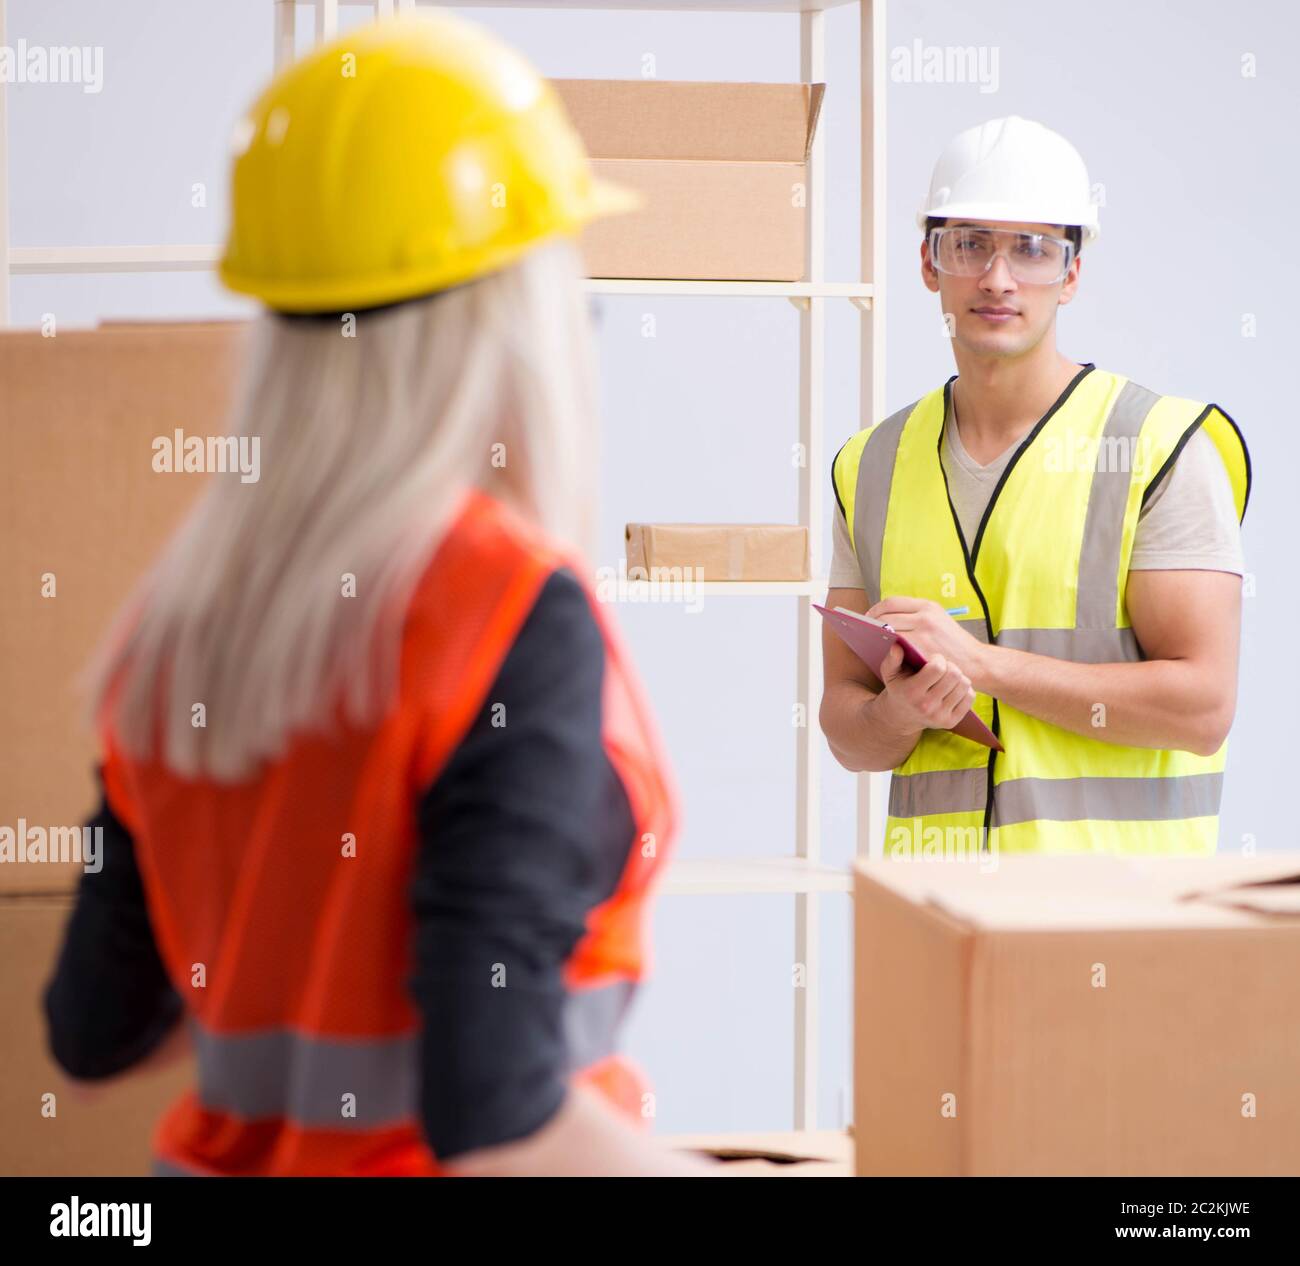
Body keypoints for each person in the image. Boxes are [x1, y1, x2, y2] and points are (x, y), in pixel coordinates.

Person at [43, 12, 715, 1177]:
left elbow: (95, 1032)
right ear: (515, 321)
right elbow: (494, 1117)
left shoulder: (180, 625)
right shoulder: (502, 608)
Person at [820, 115, 1250, 857]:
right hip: (939, 919)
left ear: (1072, 273)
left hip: (1115, 919)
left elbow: (1203, 707)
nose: (998, 277)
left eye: (1033, 249)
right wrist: (900, 711)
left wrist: (981, 666)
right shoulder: (872, 464)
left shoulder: (1154, 447)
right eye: (971, 244)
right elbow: (845, 727)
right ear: (929, 262)